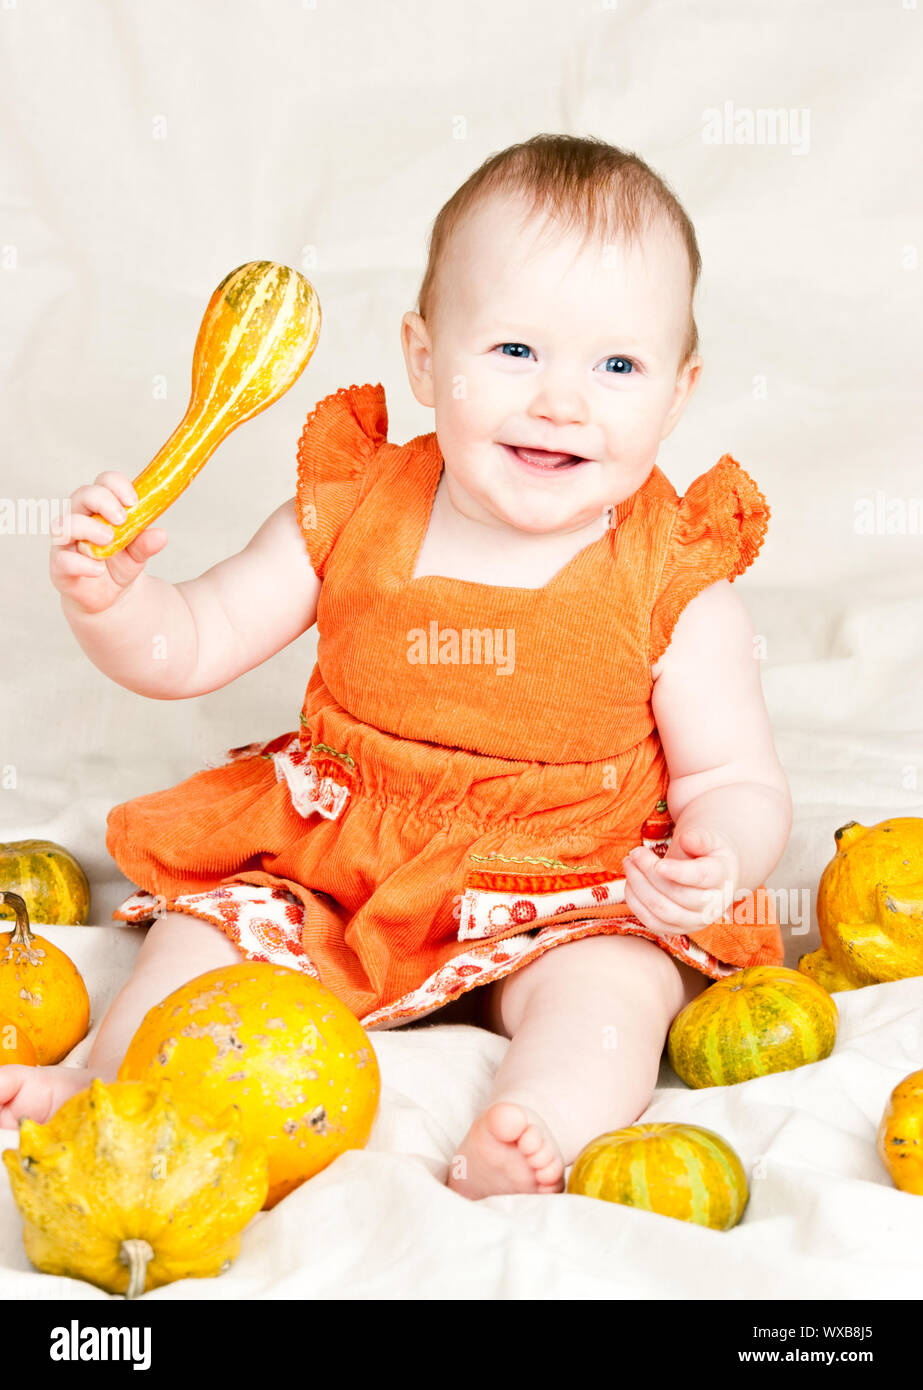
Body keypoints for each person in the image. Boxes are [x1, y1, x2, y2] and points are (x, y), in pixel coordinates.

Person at [3, 134, 791, 1199]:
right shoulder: (356, 507)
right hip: (338, 858)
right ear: (425, 358)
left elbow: (732, 779)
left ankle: (536, 1124)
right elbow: (190, 645)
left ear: (678, 390)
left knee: (616, 984)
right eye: (514, 351)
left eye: (615, 365)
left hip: (561, 874)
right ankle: (108, 1086)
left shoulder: (673, 579)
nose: (562, 400)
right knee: (199, 940)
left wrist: (718, 855)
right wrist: (115, 602)